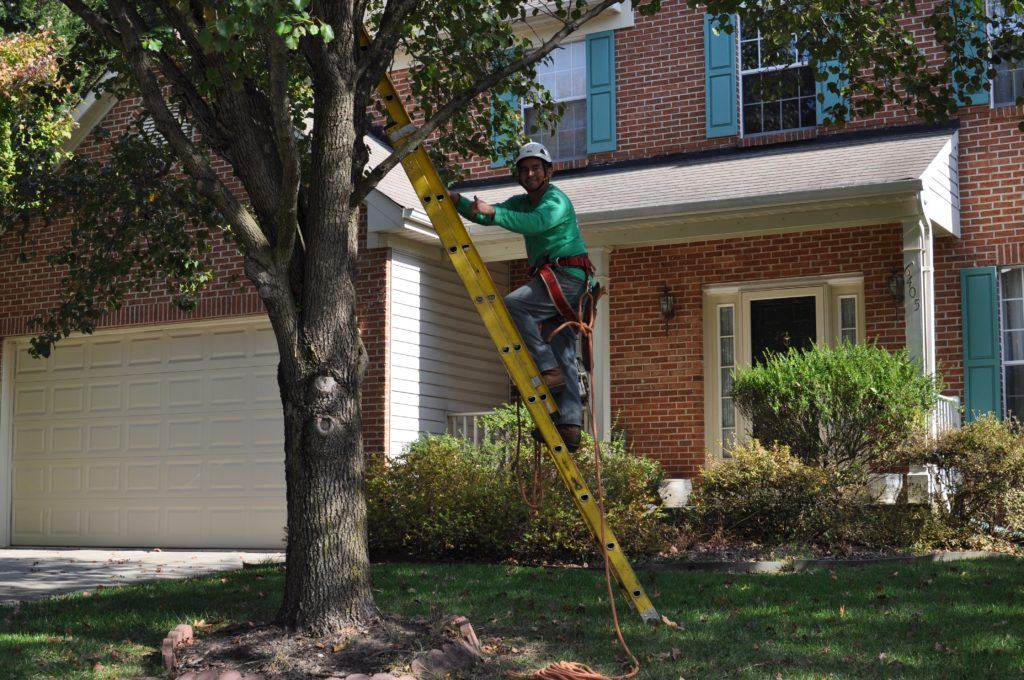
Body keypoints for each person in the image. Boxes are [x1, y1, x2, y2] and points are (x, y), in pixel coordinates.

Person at [449, 141, 592, 451]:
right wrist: (458, 202)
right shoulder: (521, 202)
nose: (530, 174)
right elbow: (487, 216)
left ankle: (548, 369)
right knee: (564, 352)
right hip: (557, 280)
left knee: (514, 305)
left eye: (536, 168)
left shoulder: (556, 200)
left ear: (548, 172)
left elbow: (536, 223)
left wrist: (495, 212)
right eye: (524, 169)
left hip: (567, 277)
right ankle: (570, 425)